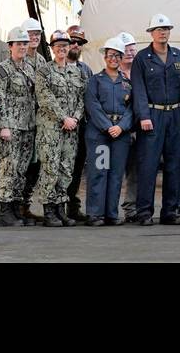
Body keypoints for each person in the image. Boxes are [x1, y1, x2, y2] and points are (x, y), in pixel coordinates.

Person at [131, 14, 180, 225]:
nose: (163, 32)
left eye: (166, 28)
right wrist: (144, 116)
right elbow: (138, 89)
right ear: (151, 33)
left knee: (175, 165)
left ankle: (169, 212)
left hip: (175, 116)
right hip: (152, 116)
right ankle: (144, 212)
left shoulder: (177, 56)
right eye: (158, 29)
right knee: (148, 166)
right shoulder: (141, 58)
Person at [34, 30, 85, 227]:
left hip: (71, 130)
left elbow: (82, 98)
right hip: (51, 129)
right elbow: (45, 98)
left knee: (66, 169)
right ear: (52, 49)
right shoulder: (44, 71)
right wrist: (64, 118)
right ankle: (49, 210)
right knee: (50, 168)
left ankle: (60, 208)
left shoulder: (77, 72)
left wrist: (75, 118)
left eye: (65, 45)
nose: (62, 48)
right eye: (58, 46)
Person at [84, 35, 135, 226]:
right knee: (99, 172)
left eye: (117, 55)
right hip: (100, 136)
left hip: (120, 136)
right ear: (105, 57)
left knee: (115, 174)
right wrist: (108, 127)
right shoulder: (96, 81)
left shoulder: (128, 83)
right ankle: (95, 214)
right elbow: (92, 105)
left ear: (122, 58)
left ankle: (111, 214)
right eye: (110, 55)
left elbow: (132, 109)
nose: (114, 59)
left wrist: (121, 127)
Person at [0, 26, 39, 226]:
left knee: (21, 169)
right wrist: (3, 125)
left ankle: (16, 208)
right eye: (18, 43)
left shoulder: (29, 67)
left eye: (24, 43)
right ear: (10, 46)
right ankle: (5, 211)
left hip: (28, 126)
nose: (22, 47)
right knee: (8, 168)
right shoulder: (3, 69)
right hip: (10, 127)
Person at [20, 18, 48, 222]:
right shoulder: (17, 59)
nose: (35, 37)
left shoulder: (41, 61)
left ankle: (24, 205)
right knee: (16, 166)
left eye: (37, 34)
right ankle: (11, 207)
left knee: (34, 166)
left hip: (37, 123)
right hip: (19, 122)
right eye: (31, 34)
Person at [65, 26, 94, 220]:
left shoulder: (86, 70)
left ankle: (72, 208)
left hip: (81, 127)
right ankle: (57, 207)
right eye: (72, 41)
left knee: (76, 169)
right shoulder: (55, 66)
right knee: (60, 169)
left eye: (80, 42)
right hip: (61, 127)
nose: (76, 45)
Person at [119, 33, 140, 222]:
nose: (129, 52)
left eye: (132, 49)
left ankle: (131, 208)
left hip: (139, 129)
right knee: (114, 171)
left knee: (135, 170)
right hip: (117, 131)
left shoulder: (141, 73)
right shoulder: (111, 73)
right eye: (125, 49)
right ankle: (107, 209)